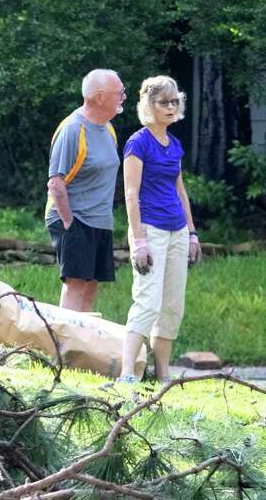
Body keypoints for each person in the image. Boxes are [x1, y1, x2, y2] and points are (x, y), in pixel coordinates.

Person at [118, 75, 200, 383]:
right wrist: (138, 241)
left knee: (172, 306)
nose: (171, 107)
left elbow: (180, 191)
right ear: (149, 105)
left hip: (177, 230)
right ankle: (127, 375)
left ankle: (162, 375)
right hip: (149, 229)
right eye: (164, 102)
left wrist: (192, 233)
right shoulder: (137, 143)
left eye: (175, 101)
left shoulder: (174, 144)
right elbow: (130, 193)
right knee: (148, 302)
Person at [45, 69, 125, 312]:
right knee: (76, 285)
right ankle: (63, 336)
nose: (123, 97)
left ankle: (83, 337)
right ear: (100, 97)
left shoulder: (108, 129)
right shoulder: (72, 129)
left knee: (90, 288)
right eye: (119, 92)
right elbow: (55, 183)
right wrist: (69, 223)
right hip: (75, 218)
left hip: (100, 221)